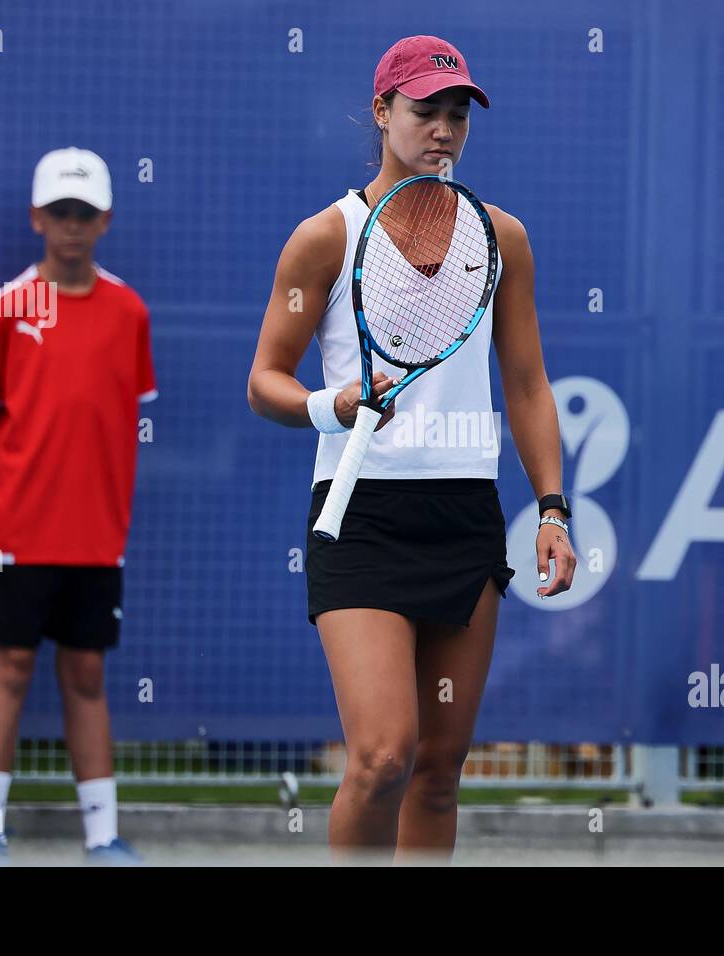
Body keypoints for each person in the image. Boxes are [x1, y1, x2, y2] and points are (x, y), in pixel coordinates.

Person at [247, 35, 576, 863]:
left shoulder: (503, 237)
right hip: (360, 517)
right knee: (383, 755)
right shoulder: (323, 239)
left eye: (457, 114)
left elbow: (530, 385)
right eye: (425, 110)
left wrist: (552, 510)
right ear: (383, 111)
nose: (444, 129)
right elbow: (265, 383)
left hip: (465, 515)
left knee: (437, 770)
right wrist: (336, 404)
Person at [0, 147, 157, 865]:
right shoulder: (9, 306)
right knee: (8, 665)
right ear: (37, 218)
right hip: (14, 530)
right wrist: (24, 483)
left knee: (86, 674)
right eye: (59, 213)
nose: (71, 227)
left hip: (97, 536)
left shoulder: (127, 310)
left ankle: (102, 836)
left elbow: (122, 414)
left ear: (104, 220)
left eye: (84, 214)